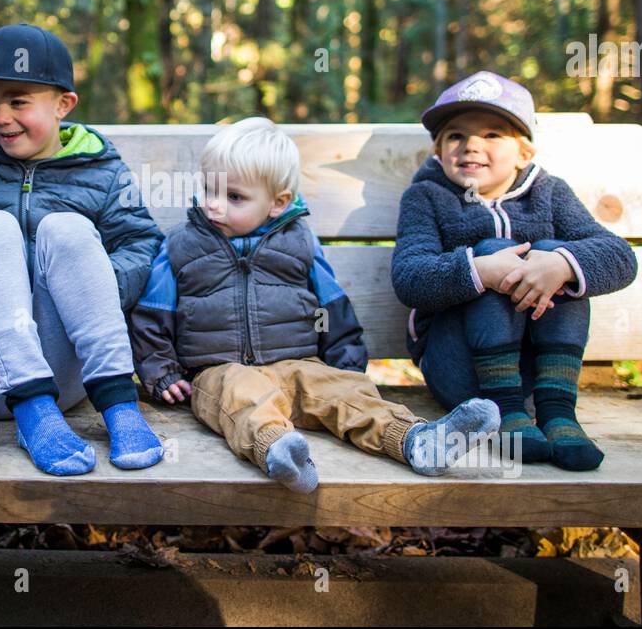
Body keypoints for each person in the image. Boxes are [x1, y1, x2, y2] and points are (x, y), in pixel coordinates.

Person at [129, 117, 500, 493]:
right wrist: (163, 372)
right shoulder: (181, 245)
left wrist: (346, 366)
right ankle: (278, 449)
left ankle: (415, 440)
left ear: (278, 203)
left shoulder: (300, 243)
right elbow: (153, 315)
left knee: (344, 394)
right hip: (217, 369)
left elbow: (331, 308)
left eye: (234, 197)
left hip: (299, 364)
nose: (213, 205)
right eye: (209, 189)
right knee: (241, 396)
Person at [0, 23, 165, 476]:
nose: (0, 117)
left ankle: (120, 407)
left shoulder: (103, 172)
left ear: (63, 104)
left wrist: (100, 280)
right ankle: (33, 412)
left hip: (70, 371)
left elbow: (141, 243)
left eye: (18, 101)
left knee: (67, 228)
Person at [391, 71, 639, 470]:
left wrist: (559, 265)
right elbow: (410, 277)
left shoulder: (550, 192)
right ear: (439, 152)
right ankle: (505, 412)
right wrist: (480, 269)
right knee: (494, 251)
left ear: (524, 154)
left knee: (556, 255)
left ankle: (559, 412)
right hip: (459, 371)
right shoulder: (426, 197)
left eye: (492, 134)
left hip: (537, 379)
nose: (471, 144)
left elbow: (620, 257)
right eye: (455, 136)